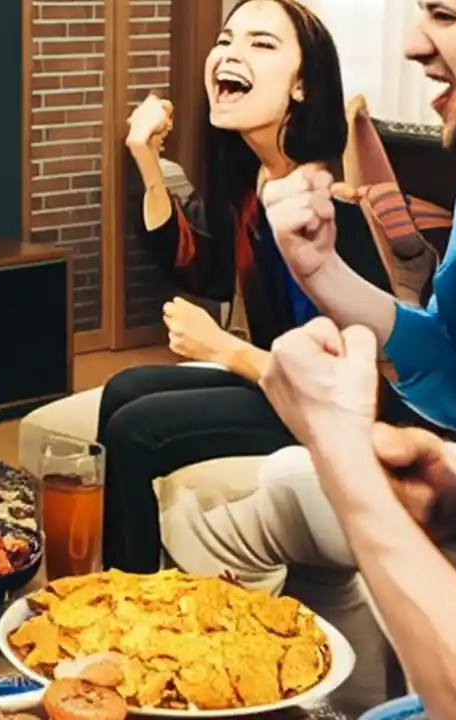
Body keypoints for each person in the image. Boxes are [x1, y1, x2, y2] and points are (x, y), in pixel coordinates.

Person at [169, 0, 456, 612]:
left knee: (288, 492)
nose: (412, 44)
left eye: (444, 14)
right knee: (287, 491)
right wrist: (325, 274)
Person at [99, 0, 399, 573]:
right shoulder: (254, 179)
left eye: (261, 44)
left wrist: (222, 349)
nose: (230, 54)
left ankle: (131, 610)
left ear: (305, 85)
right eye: (227, 39)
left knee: (135, 429)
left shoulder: (324, 204)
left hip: (337, 408)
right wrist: (145, 159)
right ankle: (123, 585)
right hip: (280, 382)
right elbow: (201, 269)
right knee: (124, 390)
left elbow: (349, 387)